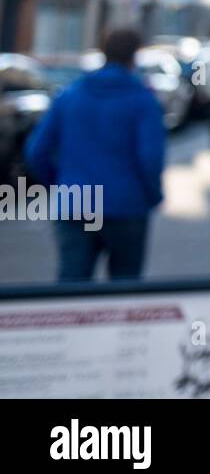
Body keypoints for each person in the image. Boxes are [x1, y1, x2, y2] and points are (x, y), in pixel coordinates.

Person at [25, 27, 166, 282]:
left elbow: (37, 151)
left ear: (103, 53)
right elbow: (150, 158)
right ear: (134, 57)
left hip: (76, 202)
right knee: (124, 286)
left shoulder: (69, 95)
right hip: (127, 205)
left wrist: (60, 183)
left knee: (73, 288)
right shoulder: (143, 101)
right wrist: (153, 195)